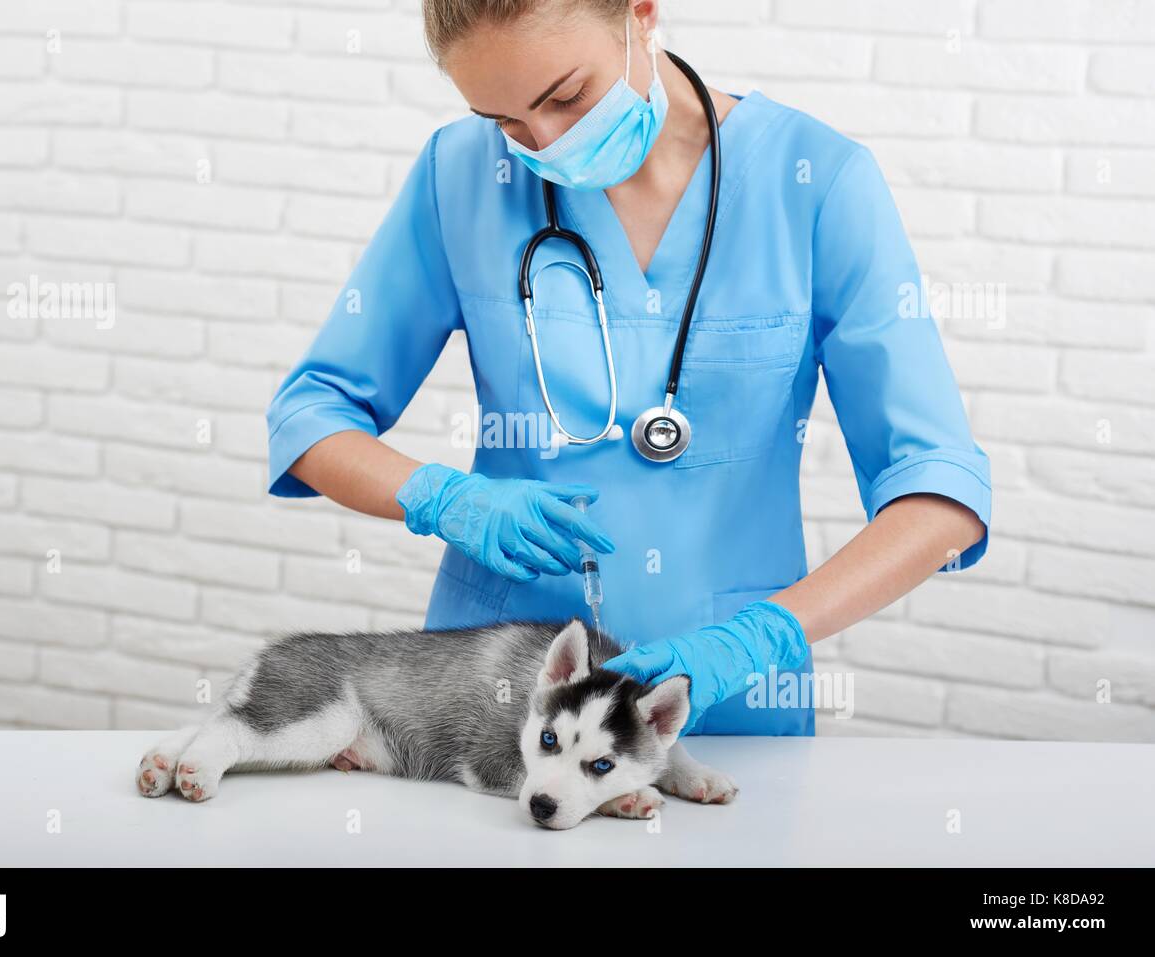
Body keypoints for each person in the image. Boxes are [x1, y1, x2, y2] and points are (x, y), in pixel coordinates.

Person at [265, 0, 991, 736]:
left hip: (720, 701)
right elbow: (310, 415)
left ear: (640, 13)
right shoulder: (458, 174)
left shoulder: (814, 181)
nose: (542, 142)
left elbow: (939, 492)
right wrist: (442, 497)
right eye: (506, 122)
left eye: (566, 97)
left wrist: (763, 636)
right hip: (498, 704)